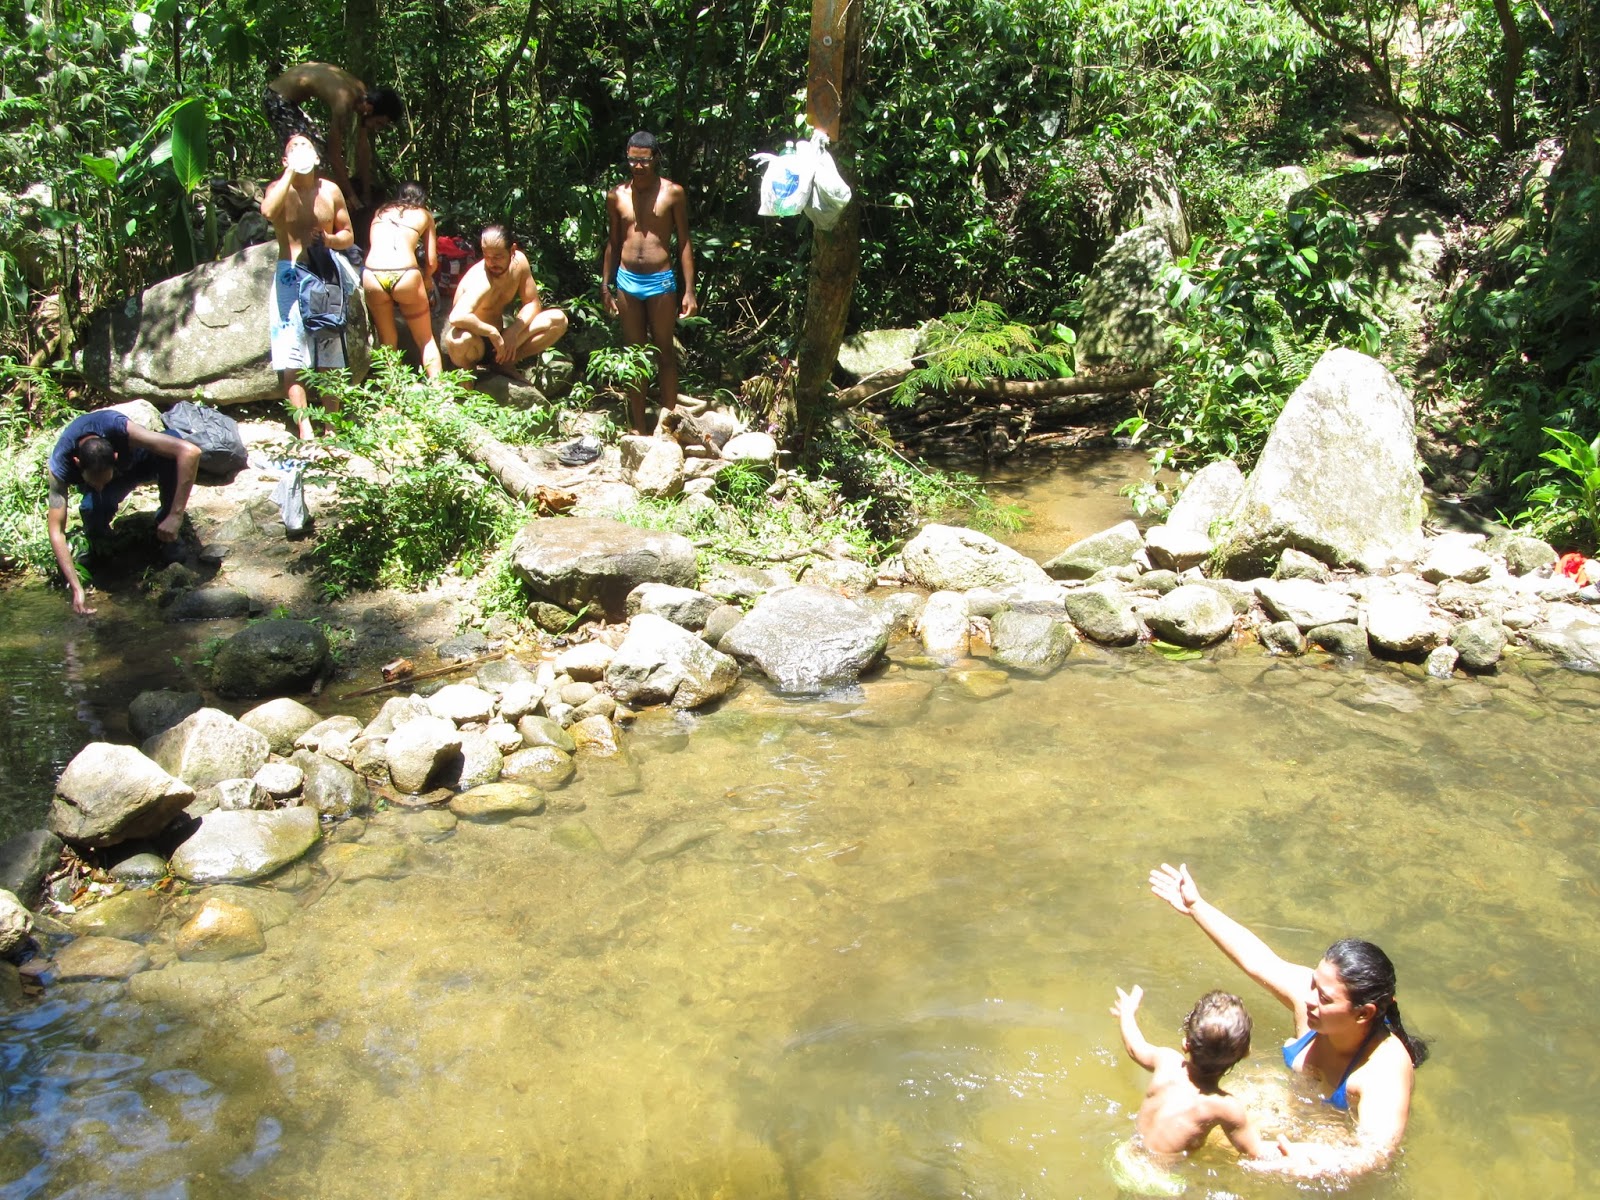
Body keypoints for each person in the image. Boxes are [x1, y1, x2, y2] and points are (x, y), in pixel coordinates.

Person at [1149, 862, 1429, 1177]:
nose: (1308, 998)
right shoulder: (1311, 1000)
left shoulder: (1385, 1069)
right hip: (1289, 1100)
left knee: (1225, 1151)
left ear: (1364, 1013)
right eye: (1313, 984)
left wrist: (1314, 1166)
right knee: (1188, 1115)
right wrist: (1196, 906)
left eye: (1324, 998)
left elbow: (1376, 1153)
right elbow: (1257, 961)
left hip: (1329, 1138)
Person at [45, 411, 200, 616]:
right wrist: (76, 588)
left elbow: (191, 452)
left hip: (138, 461)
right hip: (111, 480)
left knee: (172, 440)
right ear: (77, 463)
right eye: (94, 482)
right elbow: (56, 531)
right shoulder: (61, 462)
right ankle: (100, 545)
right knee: (92, 508)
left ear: (115, 457)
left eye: (103, 481)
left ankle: (167, 530)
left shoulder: (119, 428)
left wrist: (175, 516)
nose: (99, 486)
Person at [260, 134, 355, 440]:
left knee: (330, 350)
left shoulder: (330, 190)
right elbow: (268, 212)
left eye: (307, 147)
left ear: (316, 158)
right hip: (290, 272)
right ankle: (305, 429)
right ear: (284, 160)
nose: (301, 151)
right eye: (293, 149)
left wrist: (329, 240)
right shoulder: (278, 189)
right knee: (292, 353)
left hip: (324, 272)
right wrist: (290, 172)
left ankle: (332, 426)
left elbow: (348, 234)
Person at [601, 131, 697, 431]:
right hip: (627, 280)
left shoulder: (673, 193)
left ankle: (668, 426)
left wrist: (690, 290)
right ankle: (639, 426)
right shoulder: (617, 195)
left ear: (655, 158)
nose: (638, 166)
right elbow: (613, 242)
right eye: (632, 160)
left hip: (661, 281)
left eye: (644, 160)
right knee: (635, 355)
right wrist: (605, 285)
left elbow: (684, 241)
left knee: (664, 351)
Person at [1111, 985, 1273, 1160]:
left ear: (1186, 1044)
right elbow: (1256, 1153)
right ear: (1245, 1054)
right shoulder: (1225, 1107)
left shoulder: (1167, 1060)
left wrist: (1127, 1013)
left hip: (1125, 1155)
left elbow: (1134, 1047)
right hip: (1159, 1175)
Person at [264, 63, 402, 218]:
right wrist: (353, 198)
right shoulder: (343, 103)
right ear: (369, 109)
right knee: (311, 156)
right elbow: (334, 155)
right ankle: (301, 209)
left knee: (318, 147)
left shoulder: (361, 92)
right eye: (379, 123)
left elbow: (363, 148)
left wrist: (366, 193)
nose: (376, 128)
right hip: (277, 99)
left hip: (290, 101)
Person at [442, 224, 567, 379]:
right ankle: (468, 375)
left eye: (498, 257)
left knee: (558, 320)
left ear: (512, 251)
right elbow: (456, 317)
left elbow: (532, 303)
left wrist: (513, 331)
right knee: (458, 340)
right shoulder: (480, 279)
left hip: (501, 341)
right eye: (487, 256)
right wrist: (491, 332)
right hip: (475, 343)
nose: (492, 263)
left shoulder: (520, 263)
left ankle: (505, 362)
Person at [362, 181, 442, 378]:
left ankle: (392, 390)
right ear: (422, 199)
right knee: (425, 339)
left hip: (373, 274)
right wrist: (427, 279)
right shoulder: (424, 215)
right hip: (405, 273)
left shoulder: (381, 211)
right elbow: (431, 262)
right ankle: (440, 390)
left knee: (387, 339)